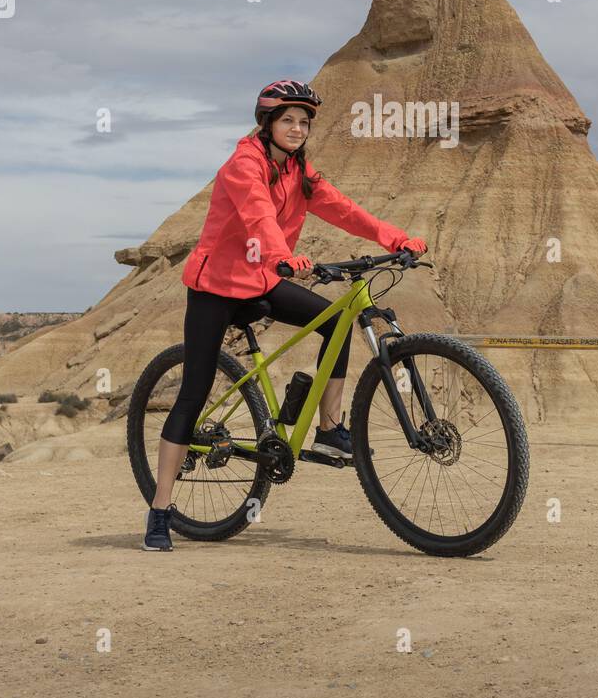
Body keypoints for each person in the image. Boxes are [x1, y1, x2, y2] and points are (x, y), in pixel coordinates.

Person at [143, 78, 427, 550]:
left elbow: (343, 209)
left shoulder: (300, 171)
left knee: (337, 320)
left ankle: (330, 428)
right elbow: (258, 216)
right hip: (216, 288)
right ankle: (159, 509)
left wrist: (393, 237)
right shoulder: (243, 164)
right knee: (193, 394)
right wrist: (280, 253)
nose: (297, 128)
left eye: (304, 122)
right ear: (267, 123)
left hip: (263, 280)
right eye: (288, 120)